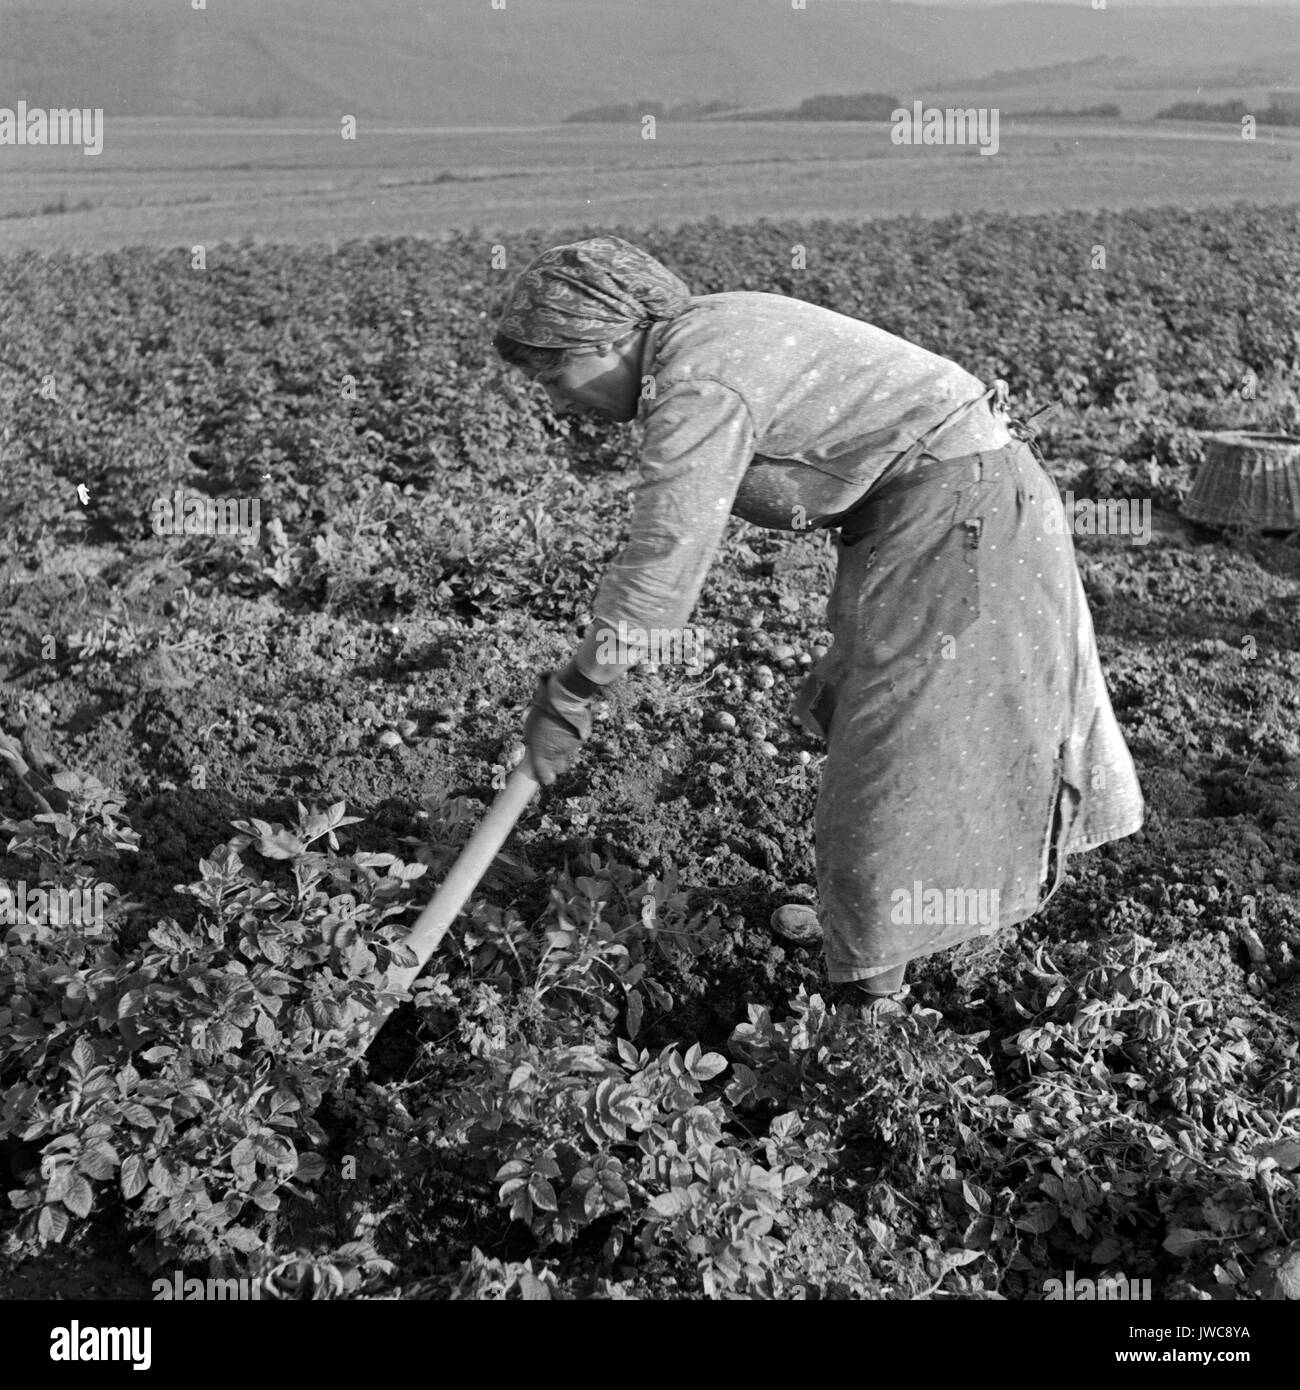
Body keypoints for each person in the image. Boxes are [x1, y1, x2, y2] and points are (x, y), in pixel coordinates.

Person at [493, 235, 1144, 1014]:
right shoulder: (702, 335)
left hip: (957, 520)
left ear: (605, 337)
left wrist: (573, 690)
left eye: (556, 372)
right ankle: (892, 929)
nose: (560, 398)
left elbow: (666, 559)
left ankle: (874, 1002)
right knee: (887, 727)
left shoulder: (699, 378)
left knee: (895, 755)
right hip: (930, 512)